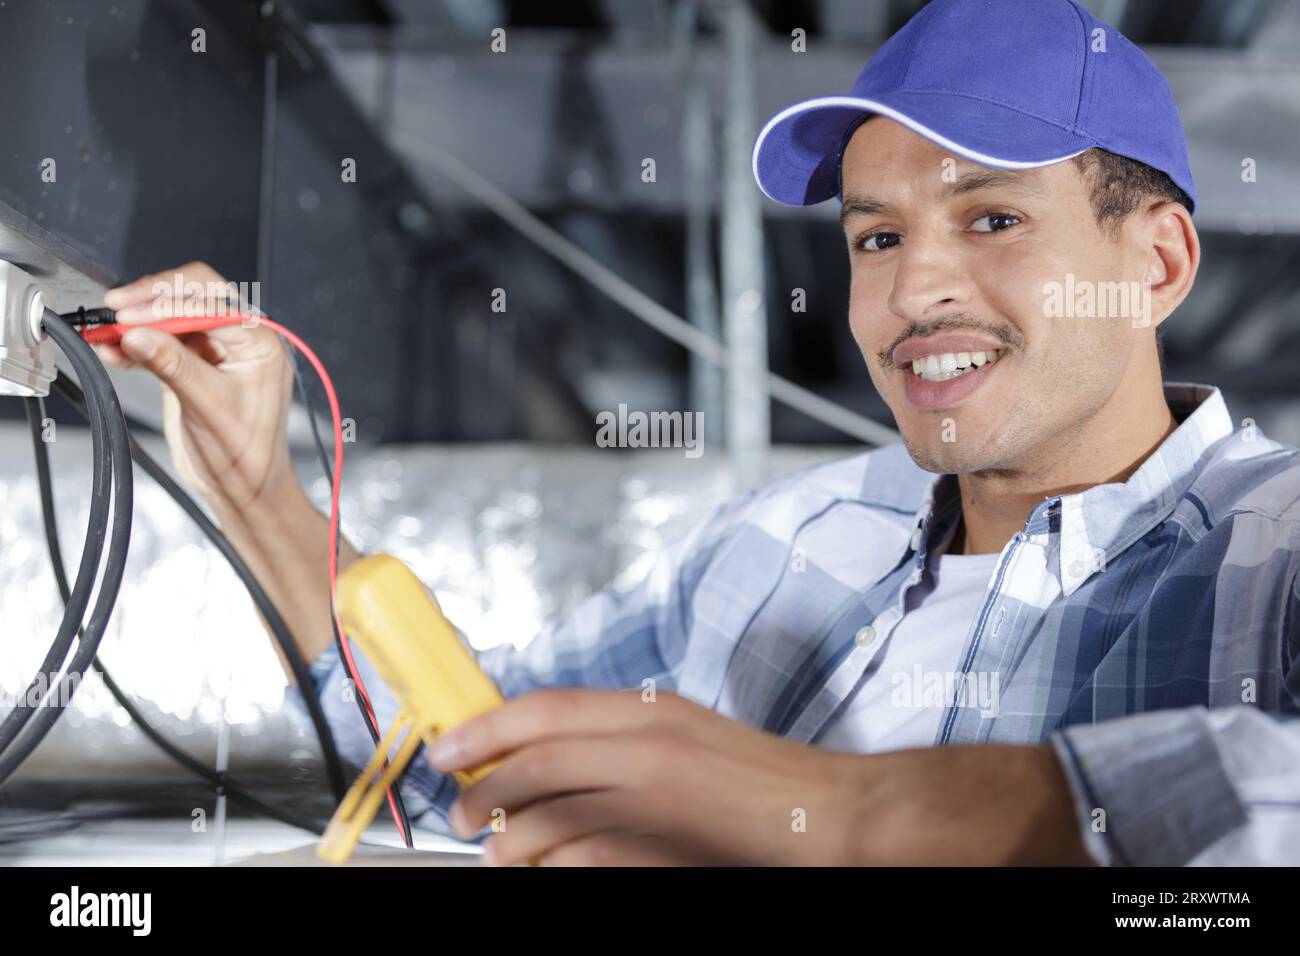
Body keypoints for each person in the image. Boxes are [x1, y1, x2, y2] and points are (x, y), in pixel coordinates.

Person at [96, 0, 1299, 866]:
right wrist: (260, 490)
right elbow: (459, 758)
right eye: (876, 236)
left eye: (989, 217)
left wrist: (839, 815)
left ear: (1155, 261)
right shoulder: (783, 543)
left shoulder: (1273, 549)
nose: (911, 291)